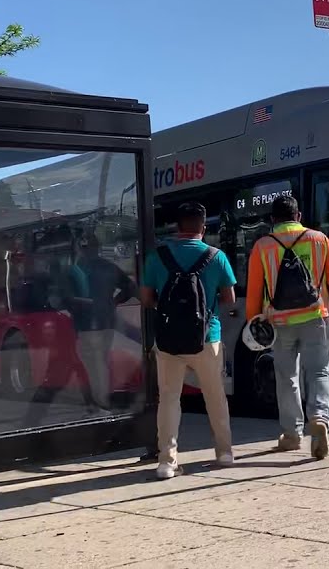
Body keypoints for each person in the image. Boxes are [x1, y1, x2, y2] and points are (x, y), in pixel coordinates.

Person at [246, 195, 329, 459]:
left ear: (273, 220)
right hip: (315, 318)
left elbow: (253, 292)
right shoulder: (319, 240)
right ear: (298, 217)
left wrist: (254, 324)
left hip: (279, 322)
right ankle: (319, 417)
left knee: (287, 378)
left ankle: (291, 434)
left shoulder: (262, 246)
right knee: (320, 371)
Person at [141, 202, 237, 480]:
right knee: (215, 396)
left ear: (177, 226)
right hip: (208, 338)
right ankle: (225, 453)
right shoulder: (216, 256)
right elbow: (229, 300)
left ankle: (167, 462)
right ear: (203, 228)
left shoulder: (157, 257)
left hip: (169, 340)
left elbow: (147, 299)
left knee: (169, 399)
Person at [68, 233, 137, 410]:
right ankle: (100, 401)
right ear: (97, 248)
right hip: (104, 321)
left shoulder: (75, 269)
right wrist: (113, 302)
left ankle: (99, 403)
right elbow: (130, 287)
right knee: (100, 362)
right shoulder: (108, 267)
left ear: (80, 250)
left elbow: (65, 298)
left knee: (90, 364)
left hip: (84, 324)